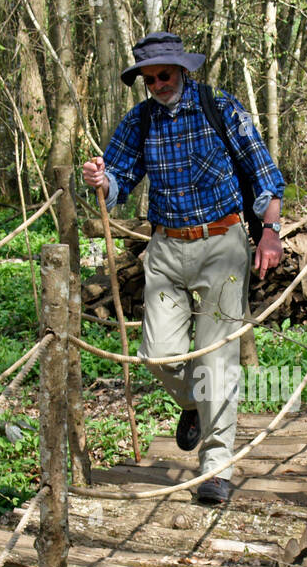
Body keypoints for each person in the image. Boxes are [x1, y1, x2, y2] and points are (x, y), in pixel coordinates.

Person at [83, 31, 285, 505]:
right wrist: (101, 178)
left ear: (182, 70)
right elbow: (118, 179)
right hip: (167, 248)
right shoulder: (140, 121)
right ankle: (195, 405)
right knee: (158, 355)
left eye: (164, 74)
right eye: (149, 78)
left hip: (223, 243)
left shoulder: (221, 107)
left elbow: (263, 170)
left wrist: (271, 231)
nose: (157, 84)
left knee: (217, 358)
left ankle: (216, 467)